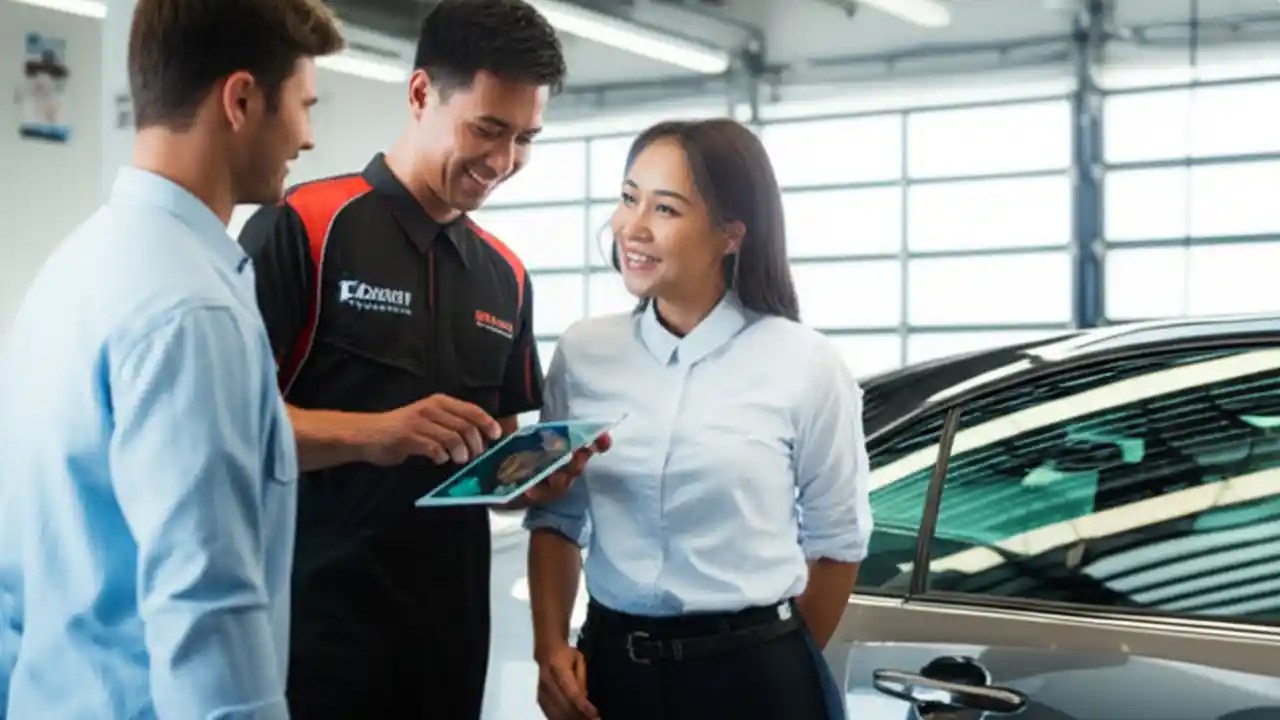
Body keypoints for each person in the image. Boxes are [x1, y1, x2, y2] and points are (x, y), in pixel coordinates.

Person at [236, 1, 597, 717]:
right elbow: (229, 430)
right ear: (422, 93)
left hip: (449, 643)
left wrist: (531, 481)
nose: (503, 161)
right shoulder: (301, 226)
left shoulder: (506, 276)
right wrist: (378, 434)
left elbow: (487, 466)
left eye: (525, 138)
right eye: (487, 129)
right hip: (311, 637)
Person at [0, 1, 343, 718]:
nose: (307, 137)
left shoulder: (72, 268)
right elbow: (208, 610)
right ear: (240, 100)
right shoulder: (192, 308)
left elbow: (16, 578)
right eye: (304, 106)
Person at [525, 118, 874, 720]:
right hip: (613, 672)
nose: (632, 227)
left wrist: (771, 670)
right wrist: (549, 646)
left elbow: (838, 541)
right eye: (629, 198)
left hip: (756, 678)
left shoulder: (804, 362)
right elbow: (556, 517)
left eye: (665, 208)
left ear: (731, 235)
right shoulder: (584, 352)